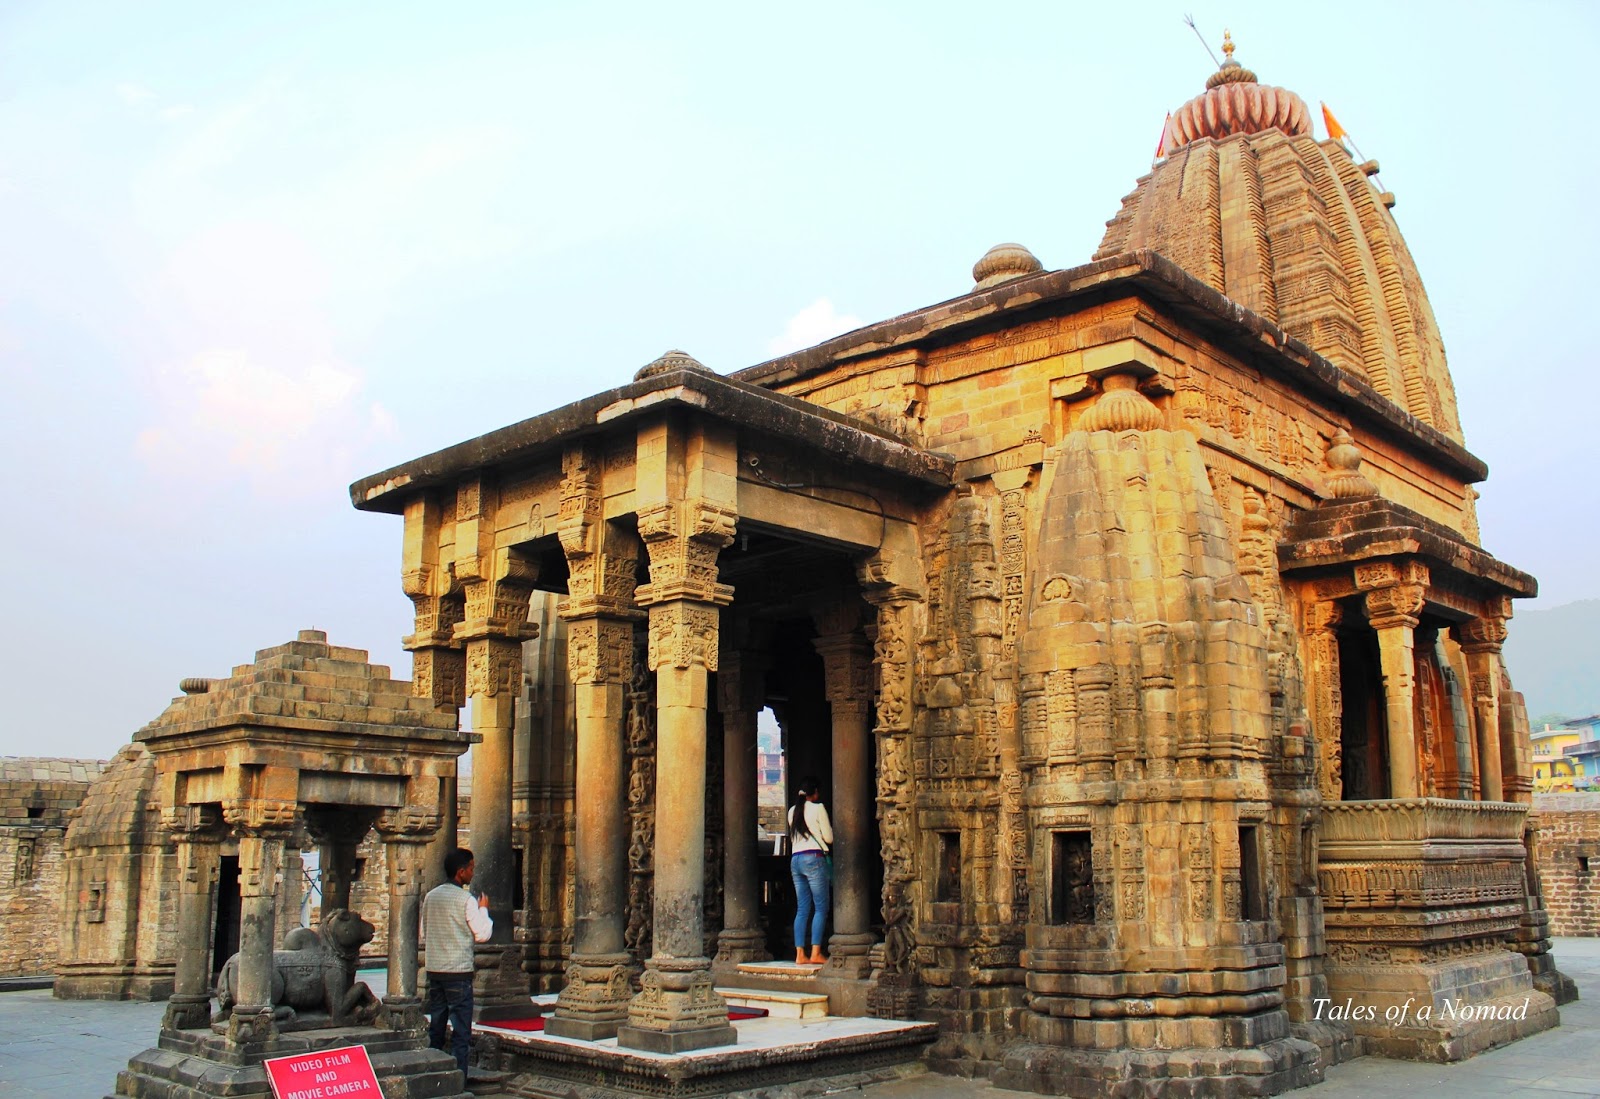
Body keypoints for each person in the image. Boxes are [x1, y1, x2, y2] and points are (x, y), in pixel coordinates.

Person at [422, 847, 493, 1077]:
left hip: (435, 970)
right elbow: (482, 934)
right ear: (460, 872)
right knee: (461, 1032)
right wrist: (484, 911)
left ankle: (433, 1075)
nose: (473, 873)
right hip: (458, 973)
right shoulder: (466, 900)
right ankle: (459, 1077)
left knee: (437, 1027)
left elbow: (424, 932)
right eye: (471, 868)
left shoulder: (431, 897)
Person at [787, 776, 833, 965]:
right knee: (821, 907)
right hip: (813, 857)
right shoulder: (818, 808)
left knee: (802, 908)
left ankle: (800, 954)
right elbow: (829, 838)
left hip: (796, 859)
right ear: (814, 793)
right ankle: (815, 952)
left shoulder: (792, 811)